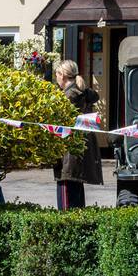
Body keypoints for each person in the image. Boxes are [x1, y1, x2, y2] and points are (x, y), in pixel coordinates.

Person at [53, 59, 102, 209]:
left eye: (57, 74)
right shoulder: (83, 93)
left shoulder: (68, 97)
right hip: (79, 150)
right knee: (77, 196)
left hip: (69, 152)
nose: (56, 78)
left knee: (67, 202)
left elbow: (60, 124)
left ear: (62, 75)